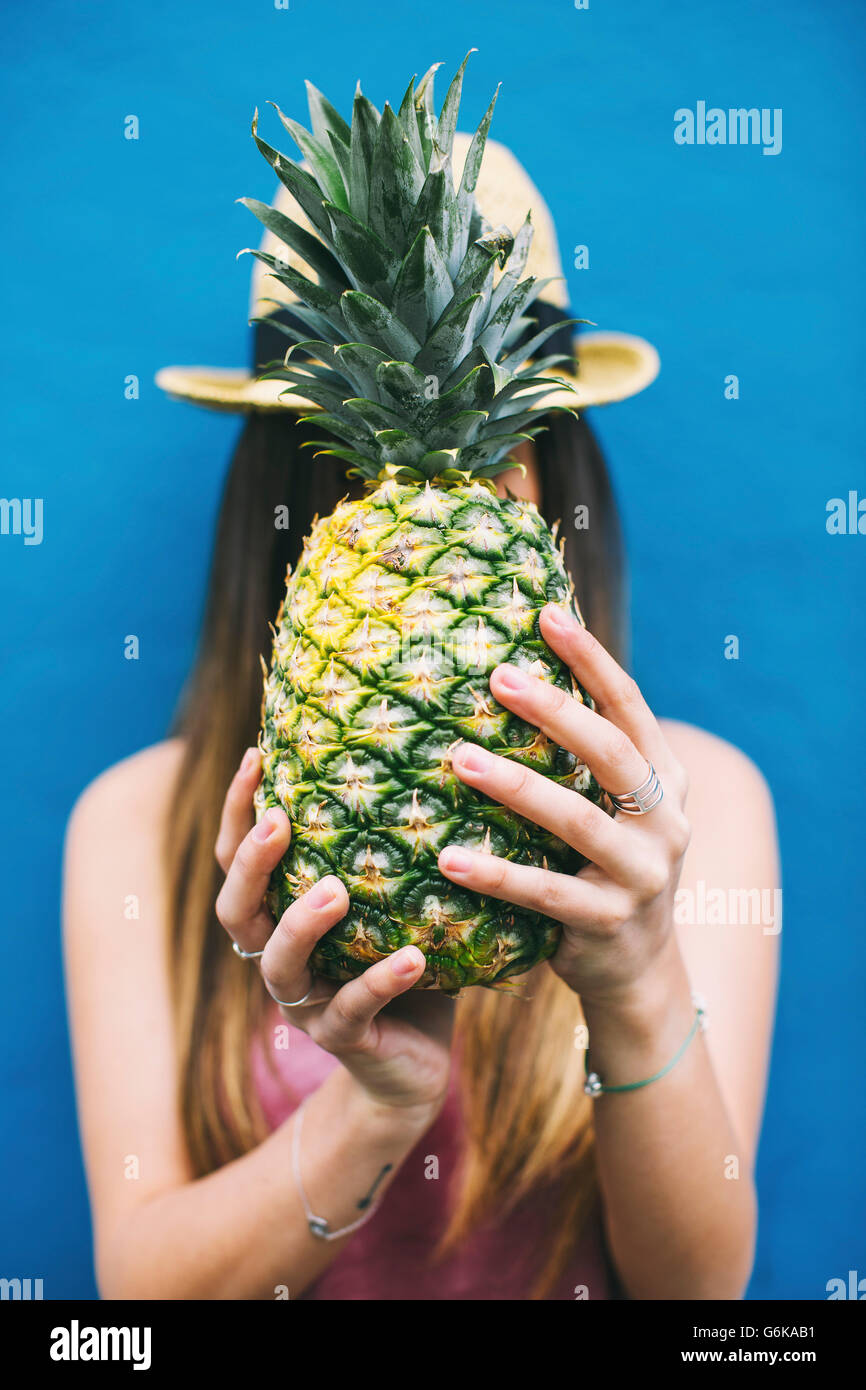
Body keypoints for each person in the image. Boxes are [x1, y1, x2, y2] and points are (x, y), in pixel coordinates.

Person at [63, 135, 779, 1301]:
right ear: (287, 487)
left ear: (554, 468)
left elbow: (699, 1305)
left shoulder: (695, 808)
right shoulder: (135, 822)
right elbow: (136, 1303)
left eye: (498, 455)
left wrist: (638, 980)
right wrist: (378, 1106)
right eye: (356, 470)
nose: (428, 536)